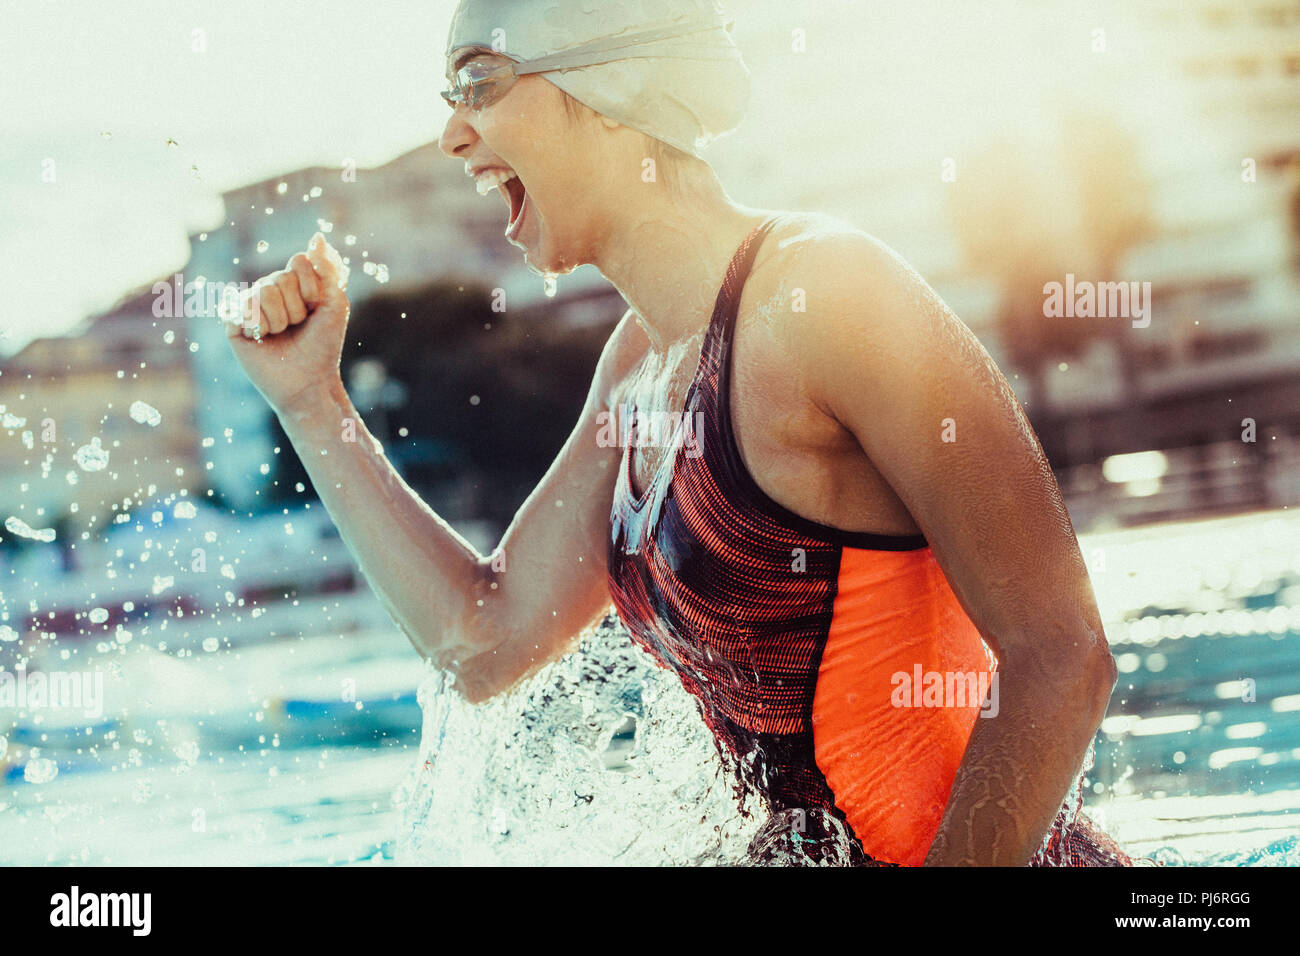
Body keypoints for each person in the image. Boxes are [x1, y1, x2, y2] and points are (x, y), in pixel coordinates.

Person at [224, 0, 1130, 866]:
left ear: (615, 88)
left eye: (481, 81)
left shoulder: (830, 296)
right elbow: (485, 639)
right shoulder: (635, 364)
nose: (452, 132)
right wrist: (311, 402)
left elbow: (1060, 654)